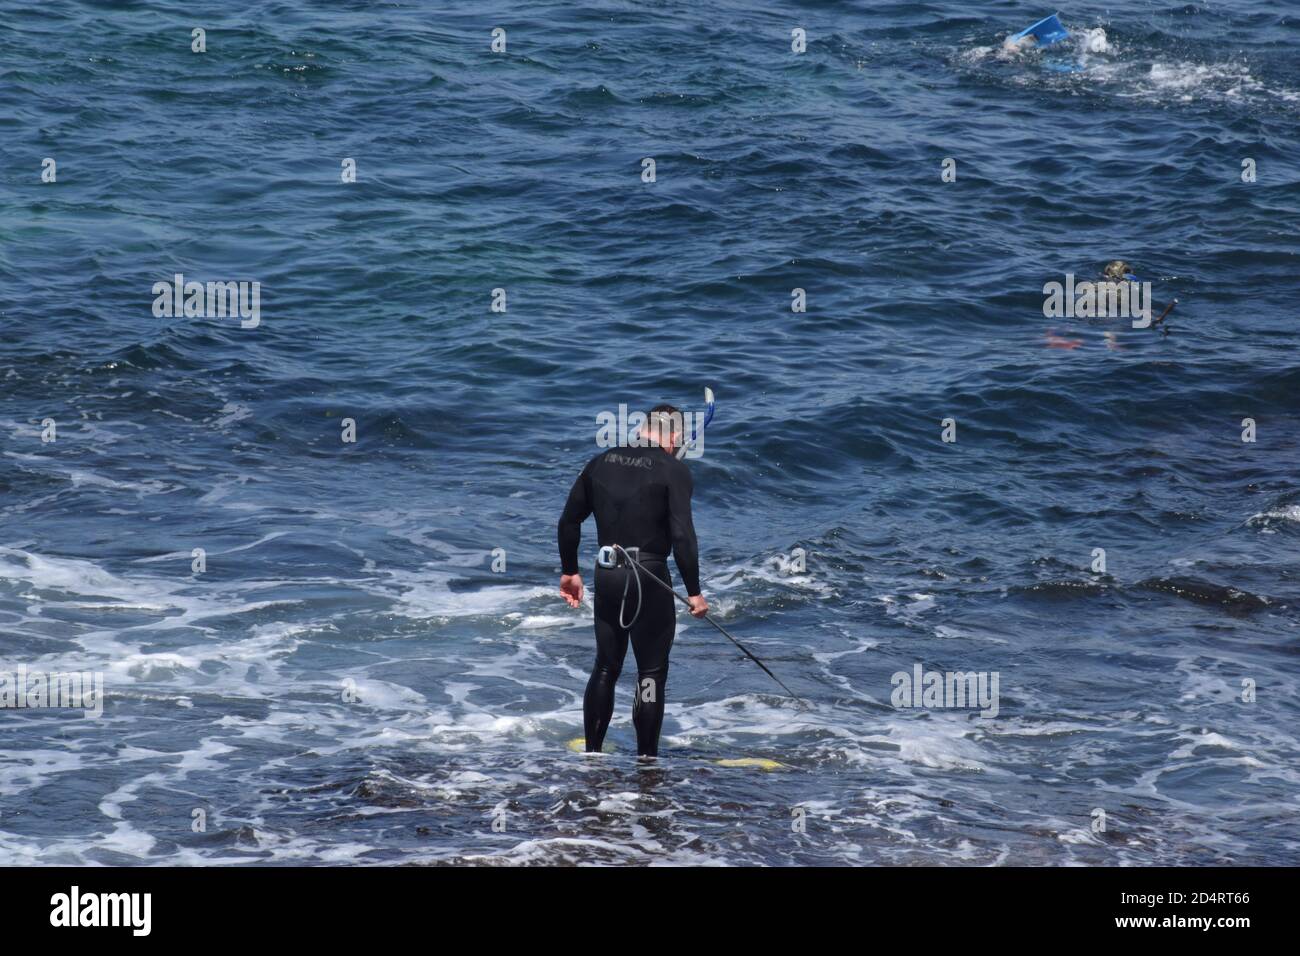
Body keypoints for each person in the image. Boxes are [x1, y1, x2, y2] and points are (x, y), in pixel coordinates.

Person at [557, 404, 708, 758]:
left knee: (606, 666)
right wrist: (695, 593)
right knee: (651, 673)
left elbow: (569, 521)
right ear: (672, 435)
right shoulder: (674, 470)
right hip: (649, 577)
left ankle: (593, 755)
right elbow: (683, 537)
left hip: (606, 574)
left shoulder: (600, 462)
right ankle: (646, 762)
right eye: (680, 440)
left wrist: (570, 572)